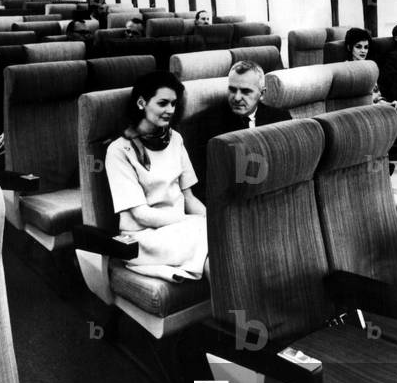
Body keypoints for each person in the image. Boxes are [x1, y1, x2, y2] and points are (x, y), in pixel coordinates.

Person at [105, 71, 208, 282]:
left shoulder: (176, 139)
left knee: (220, 237)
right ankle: (235, 312)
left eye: (173, 104)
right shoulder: (119, 150)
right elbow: (141, 215)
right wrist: (193, 221)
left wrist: (211, 218)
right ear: (142, 102)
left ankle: (229, 310)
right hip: (144, 238)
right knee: (212, 238)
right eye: (163, 103)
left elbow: (188, 197)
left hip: (180, 230)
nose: (170, 110)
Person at [213, 60, 291, 134]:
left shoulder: (280, 120)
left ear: (262, 94)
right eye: (232, 90)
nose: (237, 98)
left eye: (245, 91)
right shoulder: (211, 122)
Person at [345, 27, 397, 111]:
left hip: (374, 109)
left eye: (366, 47)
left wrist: (390, 104)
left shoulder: (370, 68)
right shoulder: (345, 70)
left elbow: (376, 98)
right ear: (349, 48)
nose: (363, 51)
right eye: (358, 47)